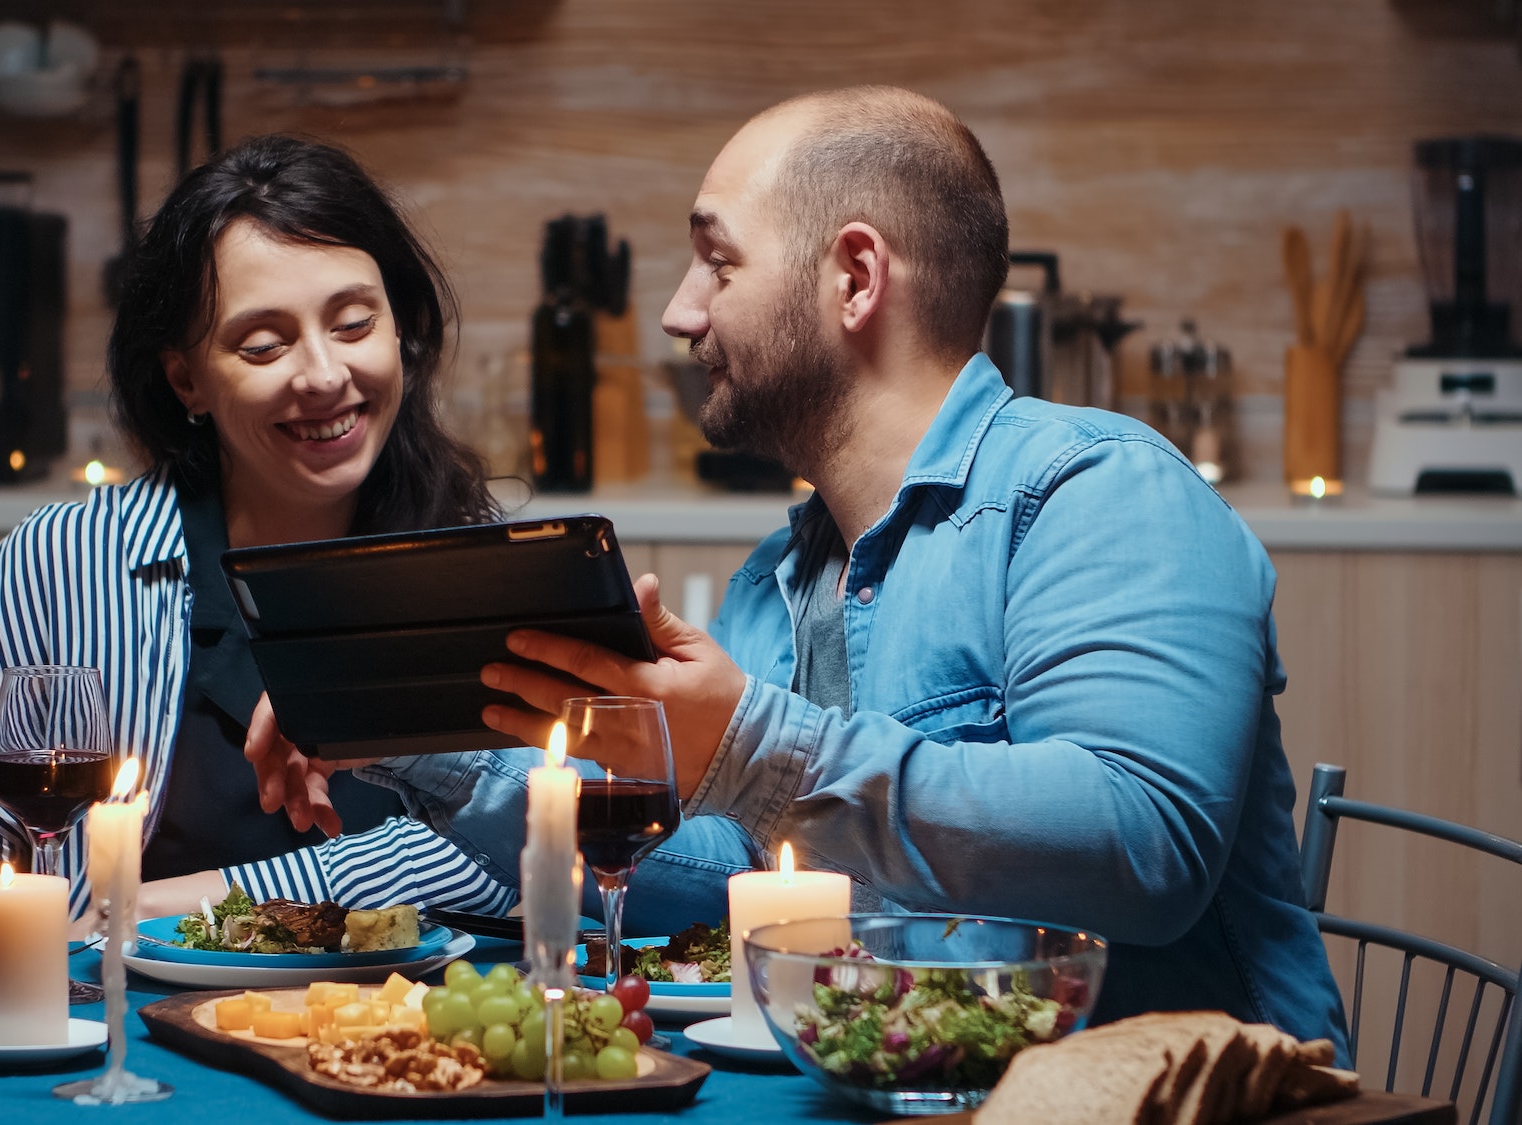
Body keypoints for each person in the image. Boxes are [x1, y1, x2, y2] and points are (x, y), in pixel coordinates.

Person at [252, 87, 1351, 1053]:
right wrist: (409, 749)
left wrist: (744, 742)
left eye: (717, 261)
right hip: (896, 1090)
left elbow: (1142, 848)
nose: (681, 312)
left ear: (855, 276)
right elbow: (723, 882)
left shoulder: (1095, 493)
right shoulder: (778, 573)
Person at [0, 135, 527, 983]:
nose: (323, 373)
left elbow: (519, 852)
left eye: (353, 324)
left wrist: (225, 898)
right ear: (186, 380)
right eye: (264, 345)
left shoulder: (481, 574)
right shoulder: (66, 563)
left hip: (393, 1062)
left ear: (402, 331)